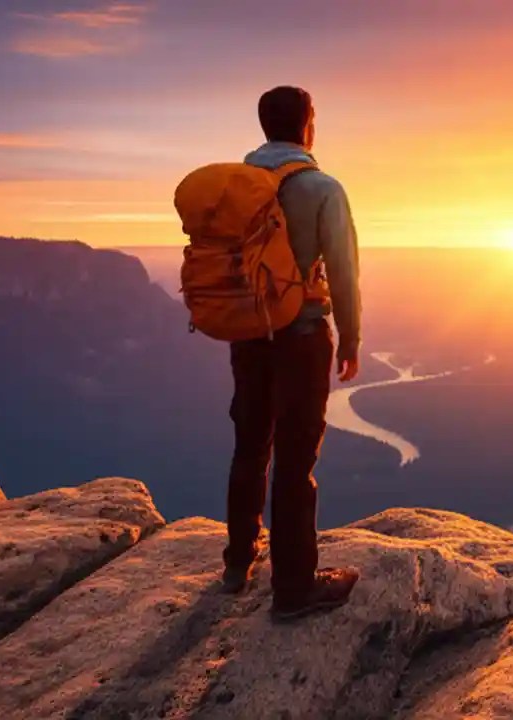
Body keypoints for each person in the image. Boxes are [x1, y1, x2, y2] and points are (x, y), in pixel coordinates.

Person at [221, 85, 362, 622]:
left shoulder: (235, 186)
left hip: (249, 336)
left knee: (249, 444)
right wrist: (350, 339)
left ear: (263, 127)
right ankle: (295, 589)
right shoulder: (322, 188)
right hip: (302, 337)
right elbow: (344, 272)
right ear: (308, 125)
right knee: (295, 462)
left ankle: (237, 563)